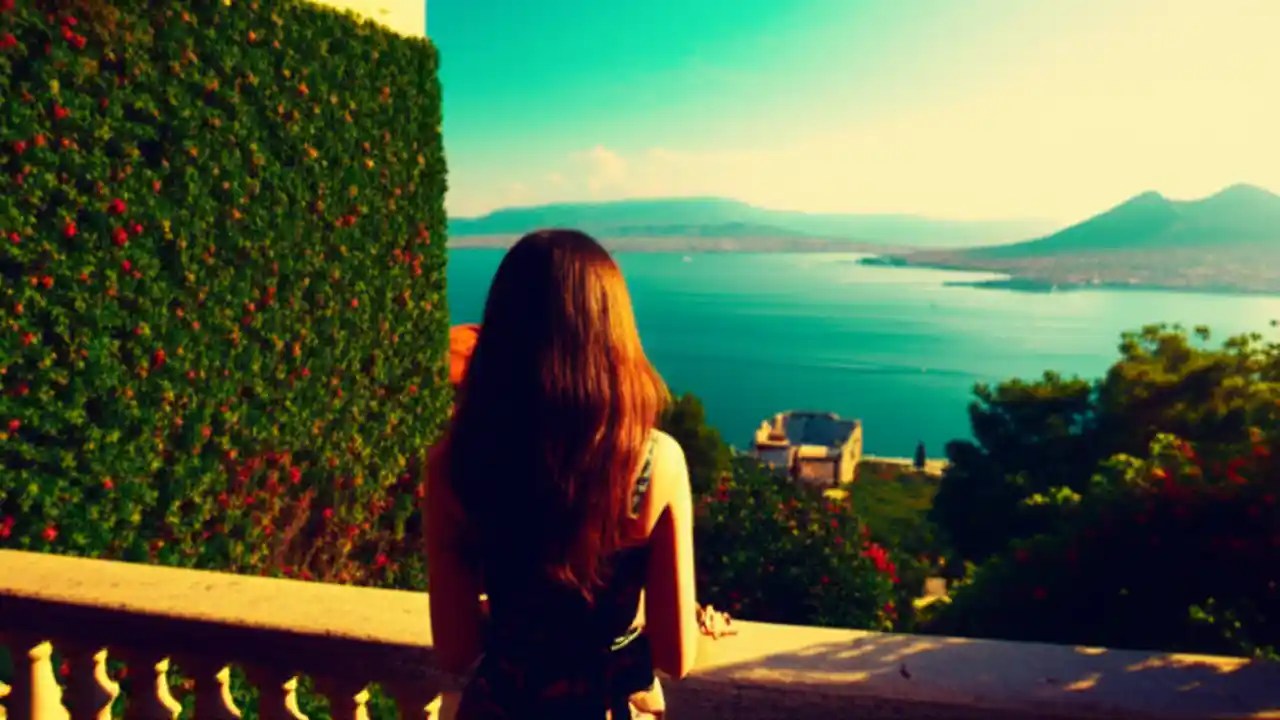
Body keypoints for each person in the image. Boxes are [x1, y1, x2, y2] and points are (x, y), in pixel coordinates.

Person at [424, 229, 731, 719]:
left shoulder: (455, 462)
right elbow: (676, 657)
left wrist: (520, 620)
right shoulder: (656, 461)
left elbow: (456, 650)